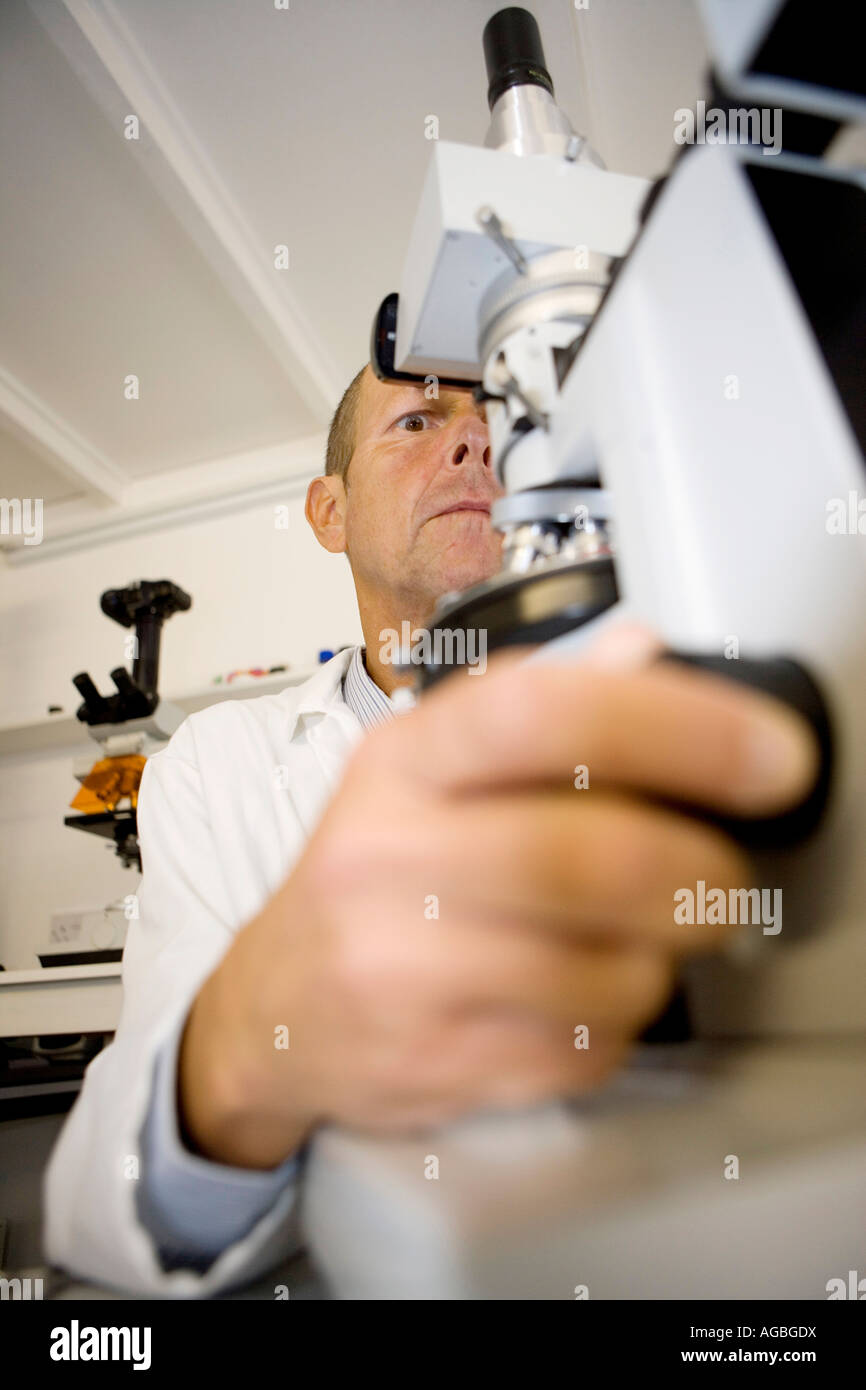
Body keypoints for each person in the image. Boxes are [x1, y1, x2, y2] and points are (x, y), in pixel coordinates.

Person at [43, 365, 819, 1295]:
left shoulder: (672, 682)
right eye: (416, 420)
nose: (476, 440)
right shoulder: (218, 762)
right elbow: (109, 1203)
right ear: (329, 513)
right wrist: (250, 1042)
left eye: (499, 422)